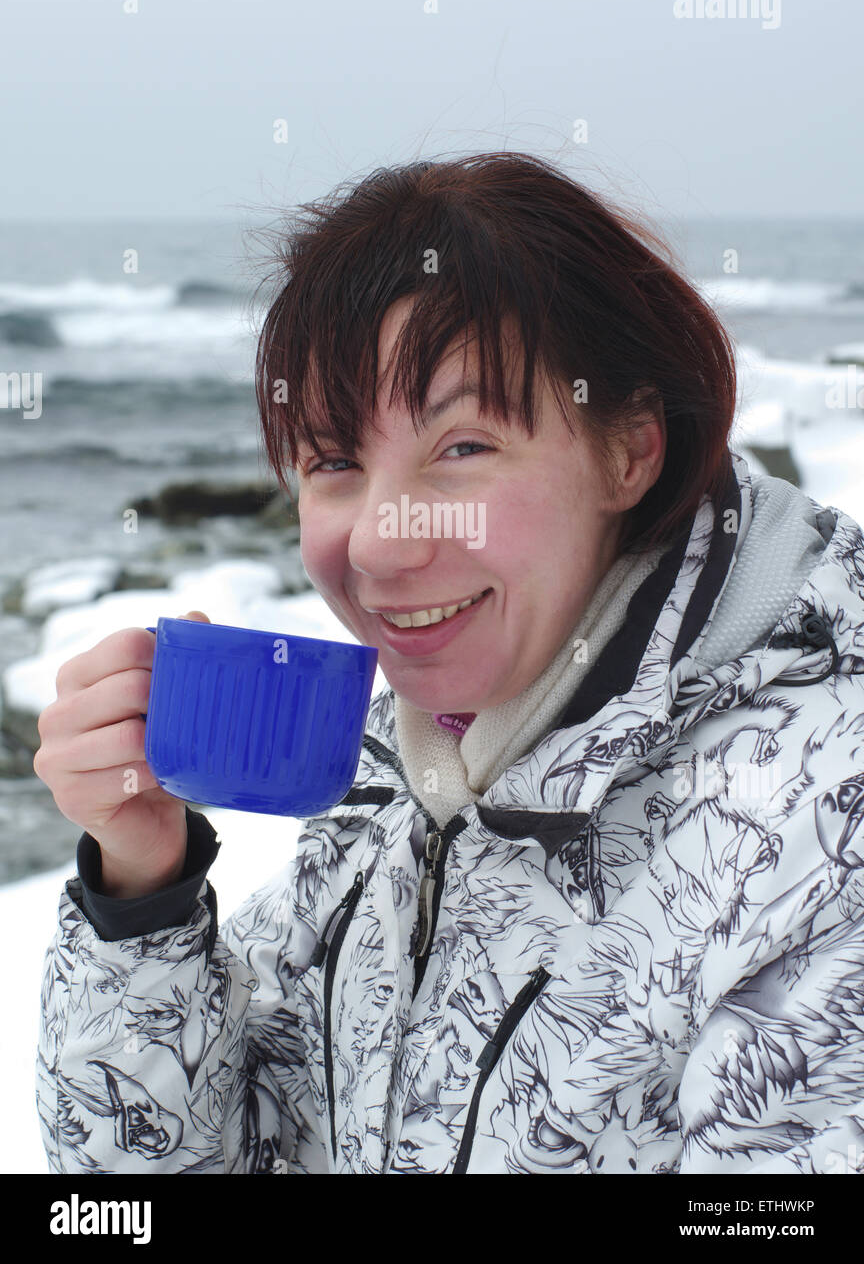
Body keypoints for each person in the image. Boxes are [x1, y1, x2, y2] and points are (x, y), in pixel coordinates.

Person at [34, 152, 864, 1174]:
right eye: (334, 461)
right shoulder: (402, 768)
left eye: (462, 446)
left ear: (630, 449)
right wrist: (141, 886)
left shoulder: (822, 831)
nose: (379, 542)